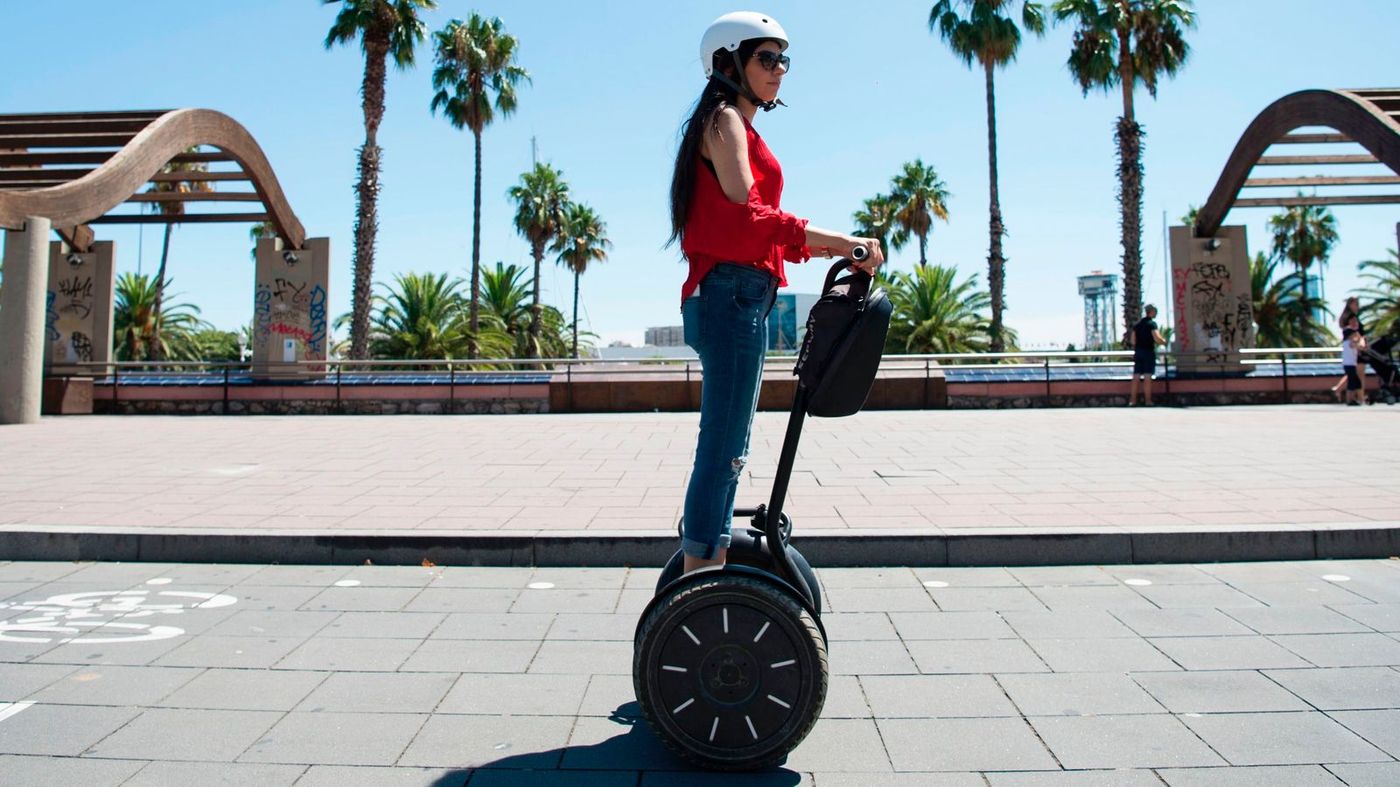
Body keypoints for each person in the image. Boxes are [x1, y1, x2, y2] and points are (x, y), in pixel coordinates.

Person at [668, 12, 884, 574]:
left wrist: (827, 249)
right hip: (732, 295)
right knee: (724, 445)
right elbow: (749, 212)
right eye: (767, 58)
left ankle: (707, 565)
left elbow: (757, 228)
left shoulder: (734, 124)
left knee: (729, 442)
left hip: (741, 294)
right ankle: (699, 578)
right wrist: (841, 242)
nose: (779, 70)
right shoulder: (724, 121)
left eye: (784, 60)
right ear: (727, 62)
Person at [1127, 304, 1167, 406]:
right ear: (1152, 312)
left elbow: (1132, 341)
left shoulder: (1137, 325)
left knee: (1136, 376)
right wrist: (1164, 341)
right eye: (1155, 311)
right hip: (1148, 352)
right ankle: (1148, 400)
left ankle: (1133, 401)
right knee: (1147, 377)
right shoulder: (1152, 324)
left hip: (1138, 352)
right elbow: (1157, 338)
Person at [1331, 296, 1367, 402]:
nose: (1357, 306)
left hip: (1354, 350)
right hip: (1355, 350)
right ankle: (1358, 398)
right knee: (1358, 375)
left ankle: (1341, 390)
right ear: (1350, 304)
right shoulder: (1350, 318)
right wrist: (1361, 342)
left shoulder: (1350, 317)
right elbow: (1354, 335)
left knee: (1354, 374)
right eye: (1356, 304)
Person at [1341, 327, 1366, 406]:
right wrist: (1361, 338)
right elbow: (1361, 347)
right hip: (1349, 365)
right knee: (1352, 383)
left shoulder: (1346, 342)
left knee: (1354, 382)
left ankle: (1352, 399)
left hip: (1350, 365)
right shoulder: (1349, 342)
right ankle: (1349, 400)